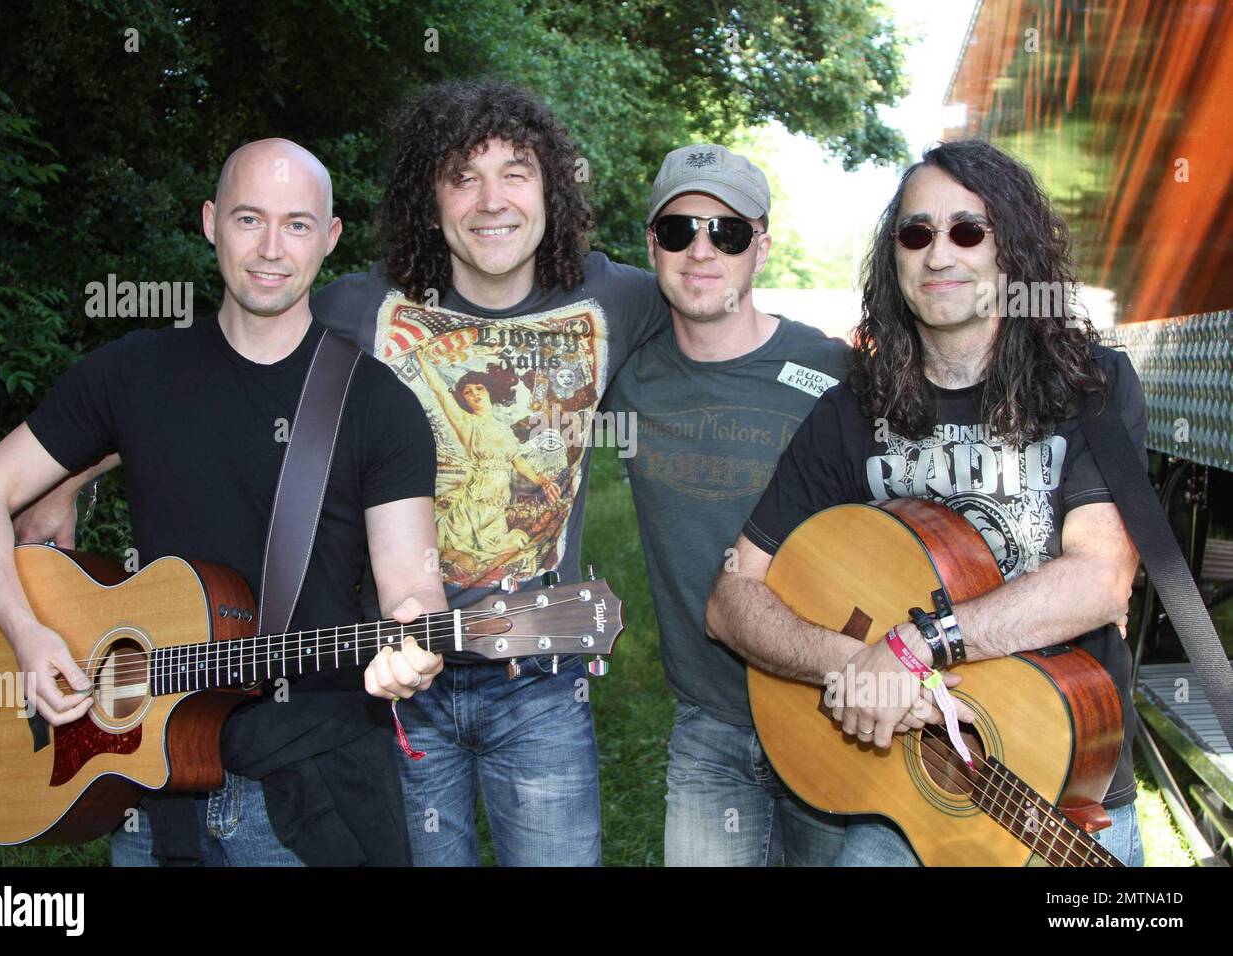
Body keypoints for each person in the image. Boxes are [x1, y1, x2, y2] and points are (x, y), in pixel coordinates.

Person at [0, 138, 446, 866]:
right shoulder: (130, 372)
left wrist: (417, 642)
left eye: (298, 224)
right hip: (148, 794)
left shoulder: (379, 407)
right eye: (249, 219)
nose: (272, 247)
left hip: (310, 792)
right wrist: (25, 633)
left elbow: (412, 587)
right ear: (211, 221)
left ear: (330, 238)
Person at [705, 139, 1147, 866]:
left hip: (1065, 791)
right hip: (903, 806)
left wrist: (911, 648)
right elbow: (731, 599)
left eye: (968, 230)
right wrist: (851, 665)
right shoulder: (854, 411)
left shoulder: (1089, 387)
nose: (939, 255)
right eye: (916, 234)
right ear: (896, 258)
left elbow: (1099, 579)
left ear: (1016, 252)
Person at [309, 80, 670, 866]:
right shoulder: (361, 308)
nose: (490, 199)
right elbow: (220, 367)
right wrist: (69, 472)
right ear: (427, 198)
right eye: (462, 175)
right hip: (397, 681)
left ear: (551, 190)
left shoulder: (611, 299)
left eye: (516, 171)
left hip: (539, 681)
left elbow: (724, 316)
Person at [601, 144, 849, 865]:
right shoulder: (627, 382)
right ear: (653, 246)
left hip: (833, 711)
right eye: (679, 231)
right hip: (709, 724)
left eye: (728, 232)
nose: (701, 250)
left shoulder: (834, 369)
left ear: (760, 248)